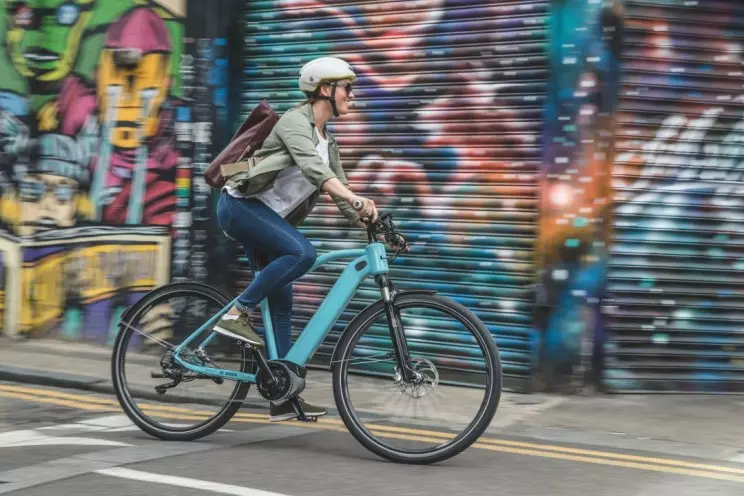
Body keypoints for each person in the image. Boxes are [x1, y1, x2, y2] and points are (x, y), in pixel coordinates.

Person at [213, 56, 381, 422]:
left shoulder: (328, 141)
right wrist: (354, 198)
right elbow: (314, 170)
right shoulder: (294, 121)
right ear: (325, 89)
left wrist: (371, 220)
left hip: (267, 218)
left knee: (282, 306)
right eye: (347, 88)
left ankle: (281, 392)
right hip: (240, 206)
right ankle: (236, 312)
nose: (352, 96)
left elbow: (341, 192)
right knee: (303, 253)